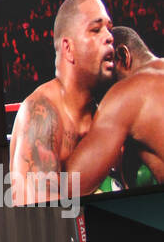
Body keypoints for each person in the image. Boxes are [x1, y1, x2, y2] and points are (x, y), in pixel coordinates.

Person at [9, 0, 115, 205]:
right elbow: (40, 217)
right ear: (68, 48)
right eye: (96, 29)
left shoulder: (109, 112)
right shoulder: (41, 113)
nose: (109, 37)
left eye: (109, 29)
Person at [66, 27, 164, 193]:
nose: (102, 100)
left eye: (103, 77)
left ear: (122, 56)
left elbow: (70, 187)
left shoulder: (126, 92)